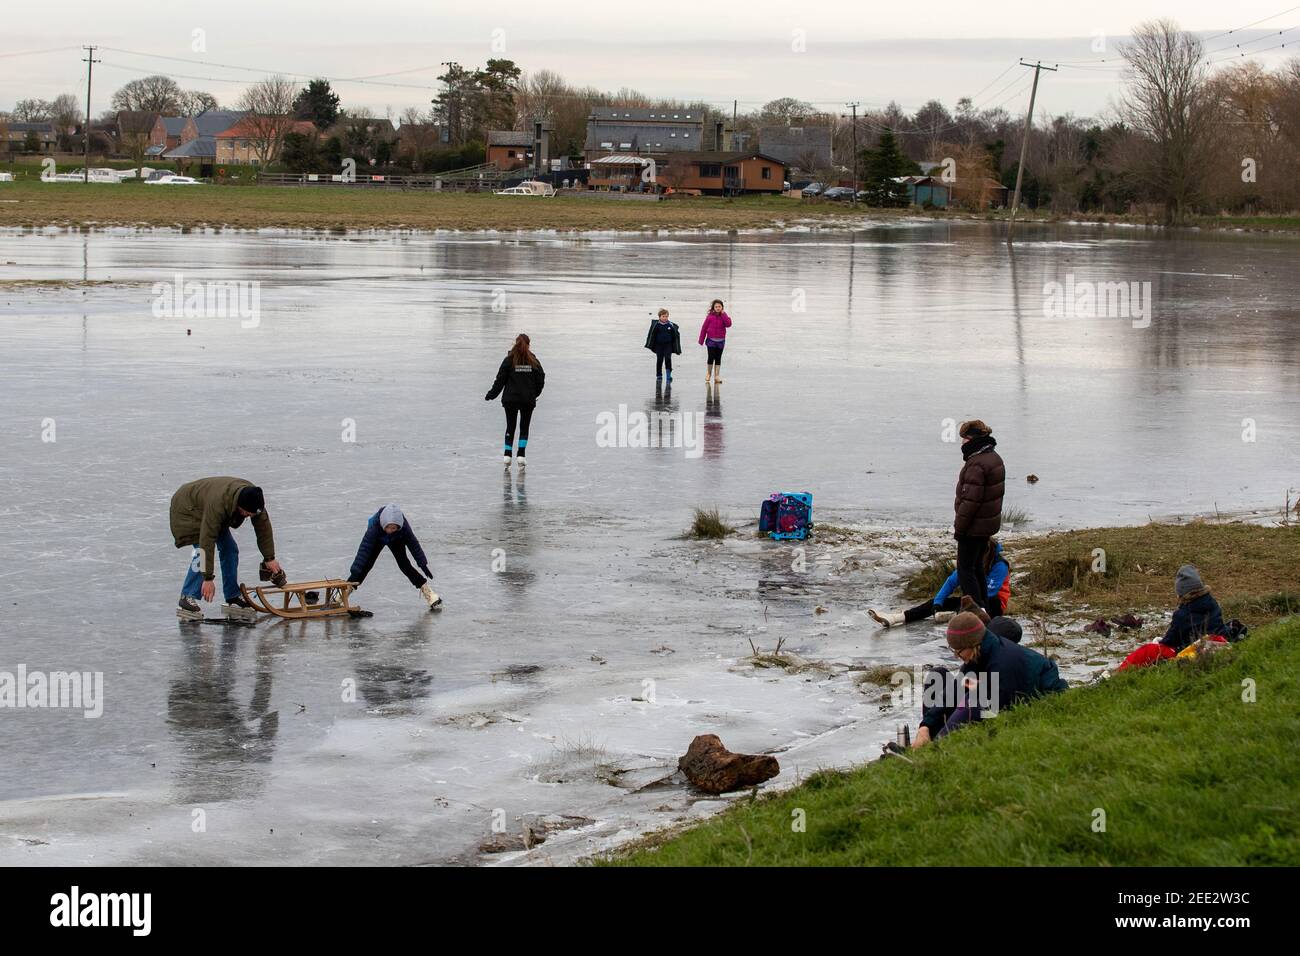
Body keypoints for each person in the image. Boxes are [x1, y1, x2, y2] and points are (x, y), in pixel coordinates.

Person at [913, 611, 1067, 748]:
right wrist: (925, 725)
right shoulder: (979, 653)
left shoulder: (1004, 661)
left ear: (973, 645)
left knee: (974, 697)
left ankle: (936, 747)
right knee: (936, 676)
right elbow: (957, 687)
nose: (957, 657)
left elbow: (1001, 707)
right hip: (998, 692)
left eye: (959, 652)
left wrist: (978, 689)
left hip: (1033, 697)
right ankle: (926, 738)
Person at [170, 477, 282, 622]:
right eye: (247, 514)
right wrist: (207, 578)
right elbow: (206, 541)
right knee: (200, 549)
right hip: (188, 508)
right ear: (239, 506)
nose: (249, 517)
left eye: (252, 515)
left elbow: (263, 528)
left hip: (209, 506)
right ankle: (188, 595)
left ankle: (232, 595)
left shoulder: (254, 498)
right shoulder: (218, 505)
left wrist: (269, 558)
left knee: (230, 549)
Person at [869, 539, 1010, 627]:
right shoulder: (969, 563)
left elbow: (990, 592)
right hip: (970, 601)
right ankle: (898, 617)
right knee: (938, 603)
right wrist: (938, 602)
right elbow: (951, 582)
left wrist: (968, 601)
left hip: (992, 606)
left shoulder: (1000, 565)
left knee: (992, 600)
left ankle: (956, 615)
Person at [1117, 565, 1227, 670]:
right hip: (1216, 642)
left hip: (1191, 650)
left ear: (1182, 593)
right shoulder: (1212, 603)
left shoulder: (1183, 615)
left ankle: (1120, 673)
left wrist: (1159, 642)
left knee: (1147, 651)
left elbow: (1170, 641)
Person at [952, 419, 1005, 614]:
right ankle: (985, 608)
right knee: (977, 568)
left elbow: (970, 502)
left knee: (965, 570)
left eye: (964, 439)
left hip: (973, 527)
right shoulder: (994, 457)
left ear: (972, 439)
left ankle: (975, 611)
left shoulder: (976, 464)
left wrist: (960, 528)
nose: (962, 444)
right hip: (987, 526)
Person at [347, 504, 440, 610]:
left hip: (397, 538)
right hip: (378, 538)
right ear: (383, 524)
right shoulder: (375, 527)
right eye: (388, 527)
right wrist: (355, 570)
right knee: (366, 565)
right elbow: (364, 549)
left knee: (404, 565)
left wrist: (422, 564)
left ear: (398, 526)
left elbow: (413, 545)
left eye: (393, 528)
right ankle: (343, 594)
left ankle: (429, 593)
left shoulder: (404, 528)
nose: (390, 530)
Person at [485, 333, 545, 467]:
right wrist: (534, 394)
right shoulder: (533, 360)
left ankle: (507, 455)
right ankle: (521, 455)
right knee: (524, 427)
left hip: (510, 400)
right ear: (528, 345)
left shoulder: (509, 360)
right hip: (527, 400)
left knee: (510, 426)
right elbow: (541, 379)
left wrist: (491, 394)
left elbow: (500, 380)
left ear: (515, 343)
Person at [698, 298, 732, 384]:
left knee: (718, 358)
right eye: (716, 306)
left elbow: (728, 324)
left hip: (721, 341)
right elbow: (704, 328)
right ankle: (709, 373)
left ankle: (717, 376)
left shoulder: (724, 316)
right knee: (711, 357)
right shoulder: (709, 317)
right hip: (711, 341)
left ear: (722, 307)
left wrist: (723, 314)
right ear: (713, 308)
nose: (718, 308)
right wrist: (701, 340)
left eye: (719, 306)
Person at [644, 308, 681, 382]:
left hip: (668, 345)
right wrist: (651, 344)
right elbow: (652, 335)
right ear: (659, 317)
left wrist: (675, 346)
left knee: (668, 359)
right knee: (659, 360)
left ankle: (668, 375)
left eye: (666, 316)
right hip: (659, 345)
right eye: (663, 316)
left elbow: (675, 336)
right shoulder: (656, 325)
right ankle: (659, 375)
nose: (665, 318)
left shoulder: (670, 325)